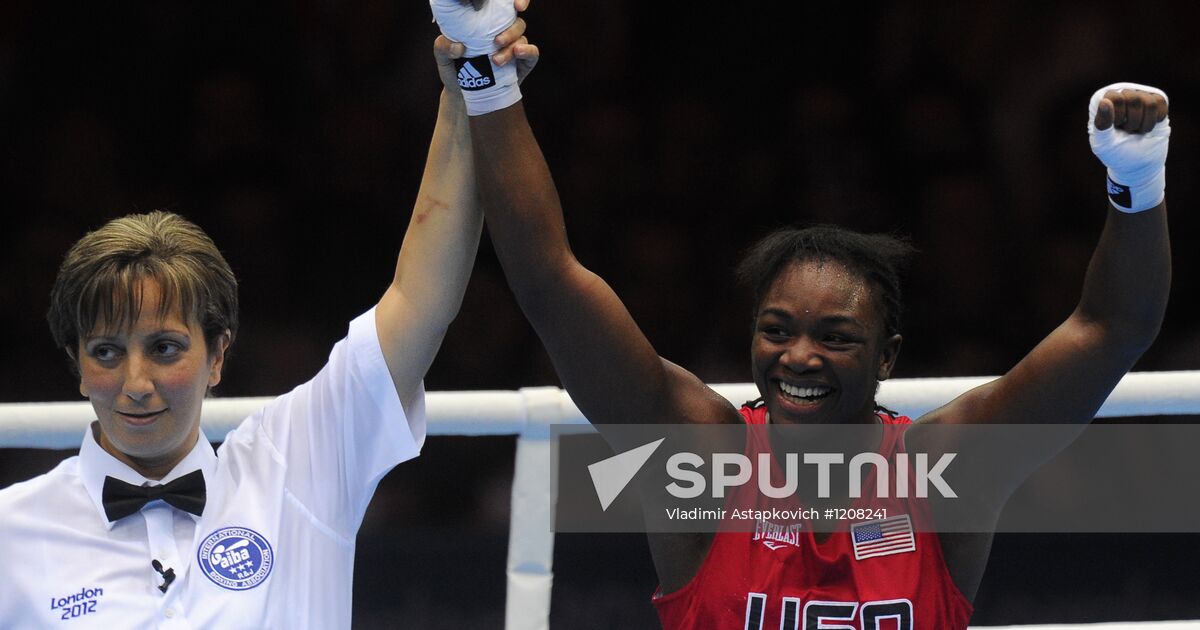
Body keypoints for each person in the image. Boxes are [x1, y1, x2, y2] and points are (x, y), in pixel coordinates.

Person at [430, 4, 1172, 628]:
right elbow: (550, 284)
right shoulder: (701, 460)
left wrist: (1135, 179)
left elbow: (1112, 329)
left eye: (835, 336)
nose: (799, 357)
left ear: (887, 357)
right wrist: (483, 73)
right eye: (777, 329)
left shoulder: (944, 470)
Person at [0, 13, 537, 628]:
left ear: (218, 354)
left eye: (166, 348)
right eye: (107, 352)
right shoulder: (12, 532)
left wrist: (471, 74)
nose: (136, 382)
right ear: (76, 364)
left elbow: (421, 300)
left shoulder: (297, 461)